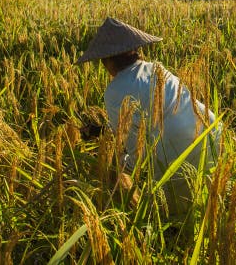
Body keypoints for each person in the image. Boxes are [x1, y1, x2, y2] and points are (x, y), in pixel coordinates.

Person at [77, 17, 220, 211]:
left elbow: (135, 148)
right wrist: (102, 130)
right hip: (212, 133)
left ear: (108, 61)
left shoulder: (114, 90)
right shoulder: (157, 68)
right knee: (211, 199)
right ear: (135, 52)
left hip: (178, 152)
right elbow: (158, 113)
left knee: (112, 168)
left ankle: (134, 211)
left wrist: (123, 169)